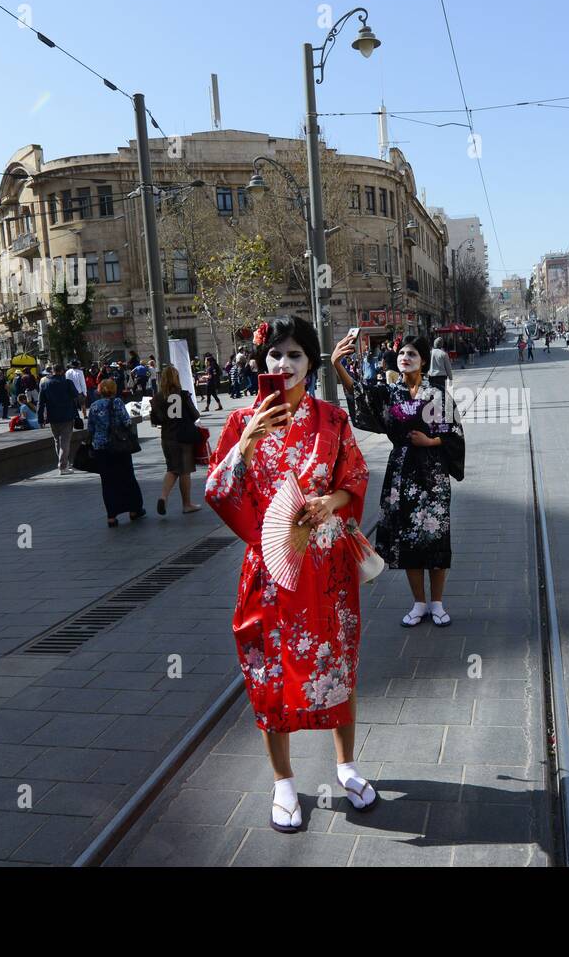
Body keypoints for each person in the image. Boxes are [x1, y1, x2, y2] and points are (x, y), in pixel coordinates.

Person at [206, 315, 372, 833]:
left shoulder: (332, 420)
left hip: (325, 568)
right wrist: (249, 439)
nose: (284, 364)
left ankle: (346, 766)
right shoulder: (239, 421)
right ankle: (283, 782)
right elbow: (219, 488)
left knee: (338, 663)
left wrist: (330, 500)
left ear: (311, 362)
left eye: (295, 354)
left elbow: (355, 478)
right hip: (270, 570)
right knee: (268, 674)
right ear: (262, 364)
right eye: (274, 355)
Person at [333, 330, 465, 632]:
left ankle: (438, 603)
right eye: (402, 354)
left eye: (412, 354)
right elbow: (359, 395)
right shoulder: (390, 393)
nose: (405, 358)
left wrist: (431, 442)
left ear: (423, 362)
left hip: (432, 477)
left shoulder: (437, 395)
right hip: (401, 475)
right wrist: (339, 366)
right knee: (409, 541)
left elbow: (454, 435)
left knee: (435, 538)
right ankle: (419, 603)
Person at [88, 378, 146, 526]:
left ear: (100, 390)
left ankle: (111, 517)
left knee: (108, 482)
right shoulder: (118, 402)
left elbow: (91, 429)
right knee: (127, 478)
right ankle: (134, 510)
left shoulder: (94, 406)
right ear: (113, 390)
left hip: (101, 448)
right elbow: (126, 422)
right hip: (119, 446)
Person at [150, 364, 202, 516]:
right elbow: (195, 415)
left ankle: (163, 496)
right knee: (185, 471)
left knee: (172, 469)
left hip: (167, 437)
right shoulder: (182, 395)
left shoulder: (157, 399)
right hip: (183, 437)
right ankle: (187, 504)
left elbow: (156, 421)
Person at [38, 365, 81, 475]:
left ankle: (63, 464)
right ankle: (63, 467)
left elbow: (40, 403)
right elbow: (76, 395)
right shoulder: (67, 382)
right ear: (62, 371)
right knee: (65, 442)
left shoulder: (45, 384)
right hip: (67, 416)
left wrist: (40, 419)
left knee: (57, 441)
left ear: (52, 371)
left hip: (53, 417)